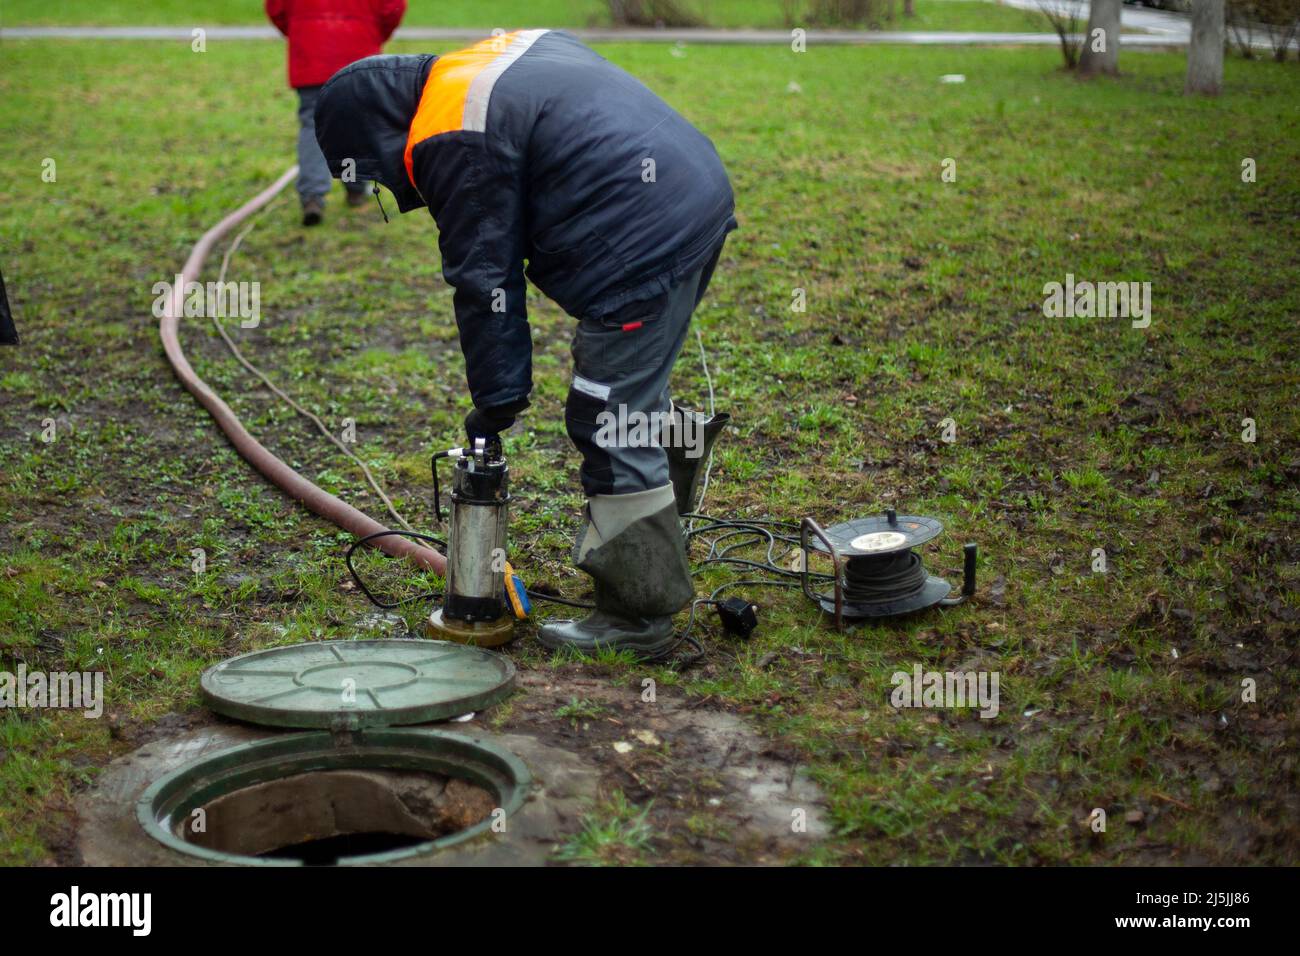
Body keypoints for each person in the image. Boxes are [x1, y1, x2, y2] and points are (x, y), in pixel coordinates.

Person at [313, 30, 736, 659]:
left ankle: (638, 616)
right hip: (693, 192)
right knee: (632, 395)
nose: (389, 190)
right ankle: (664, 529)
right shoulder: (478, 63)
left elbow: (485, 281)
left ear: (375, 134)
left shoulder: (448, 134)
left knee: (607, 417)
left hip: (643, 234)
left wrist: (496, 402)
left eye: (374, 174)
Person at [265, 0, 407, 225]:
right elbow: (393, 9)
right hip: (359, 53)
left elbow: (276, 8)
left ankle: (313, 196)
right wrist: (373, 34)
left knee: (313, 126)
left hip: (311, 56)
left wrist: (301, 33)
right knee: (355, 124)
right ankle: (355, 188)